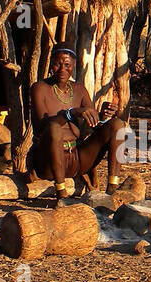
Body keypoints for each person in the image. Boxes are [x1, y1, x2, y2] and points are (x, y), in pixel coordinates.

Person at [27, 47, 123, 205]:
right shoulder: (40, 88)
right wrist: (70, 113)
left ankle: (112, 189)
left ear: (74, 66)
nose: (62, 69)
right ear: (51, 65)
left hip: (77, 159)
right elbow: (41, 127)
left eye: (67, 65)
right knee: (54, 128)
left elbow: (95, 125)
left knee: (117, 125)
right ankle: (61, 194)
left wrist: (104, 117)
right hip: (48, 163)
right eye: (57, 64)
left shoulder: (79, 90)